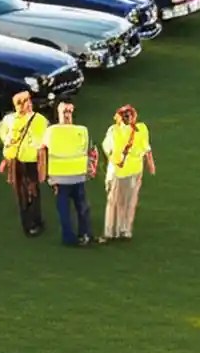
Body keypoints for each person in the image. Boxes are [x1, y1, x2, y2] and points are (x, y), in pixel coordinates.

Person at [39, 102, 99, 246]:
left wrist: (91, 168)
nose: (67, 115)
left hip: (74, 177)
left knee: (77, 208)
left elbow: (90, 151)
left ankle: (82, 235)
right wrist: (44, 174)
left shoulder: (78, 130)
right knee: (70, 210)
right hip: (64, 178)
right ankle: (76, 236)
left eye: (69, 112)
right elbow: (42, 152)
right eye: (64, 112)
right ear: (58, 114)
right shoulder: (54, 131)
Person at [0, 91, 49, 237]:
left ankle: (30, 223)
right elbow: (43, 140)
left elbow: (2, 135)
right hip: (28, 161)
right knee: (31, 192)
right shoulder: (38, 119)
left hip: (16, 160)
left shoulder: (9, 119)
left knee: (23, 193)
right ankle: (33, 224)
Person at [100, 104, 155, 242]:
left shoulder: (140, 129)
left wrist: (150, 164)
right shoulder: (114, 130)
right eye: (125, 115)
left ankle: (124, 230)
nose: (128, 117)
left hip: (133, 171)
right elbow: (108, 150)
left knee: (128, 201)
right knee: (115, 201)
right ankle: (112, 231)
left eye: (130, 114)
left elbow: (146, 148)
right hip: (118, 171)